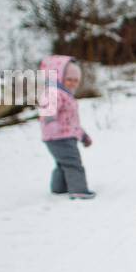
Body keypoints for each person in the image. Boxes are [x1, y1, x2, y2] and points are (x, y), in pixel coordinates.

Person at [38, 55, 94, 200]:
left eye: (76, 81)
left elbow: (72, 122)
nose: (73, 83)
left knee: (63, 163)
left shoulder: (64, 95)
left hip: (63, 136)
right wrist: (52, 126)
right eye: (69, 79)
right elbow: (48, 113)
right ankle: (78, 190)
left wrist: (83, 136)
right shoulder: (53, 93)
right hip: (59, 137)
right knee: (73, 164)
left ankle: (59, 188)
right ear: (58, 77)